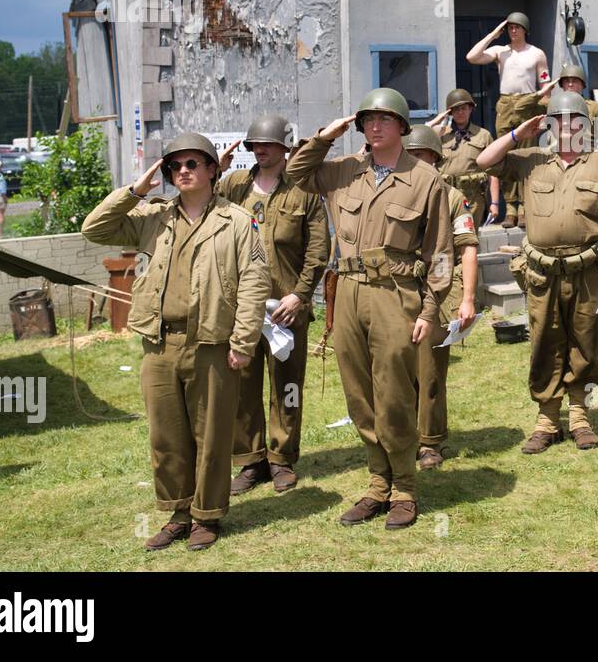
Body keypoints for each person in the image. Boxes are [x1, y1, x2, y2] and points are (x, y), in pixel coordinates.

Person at [81, 134, 270, 551]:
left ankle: (207, 515)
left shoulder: (237, 221)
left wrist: (243, 340)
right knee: (166, 437)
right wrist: (134, 191)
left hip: (212, 343)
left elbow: (256, 282)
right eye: (175, 166)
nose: (183, 171)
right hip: (160, 343)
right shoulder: (154, 217)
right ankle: (178, 512)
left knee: (212, 434)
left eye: (192, 163)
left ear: (211, 170)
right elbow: (94, 228)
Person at [284, 88, 453, 529]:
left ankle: (405, 488)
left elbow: (439, 251)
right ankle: (378, 484)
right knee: (359, 395)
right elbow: (294, 171)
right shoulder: (343, 171)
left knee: (394, 393)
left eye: (383, 119)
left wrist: (429, 310)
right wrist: (326, 135)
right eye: (366, 120)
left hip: (395, 294)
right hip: (348, 292)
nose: (373, 126)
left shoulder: (424, 179)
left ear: (402, 126)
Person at [477, 90, 598, 453]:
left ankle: (580, 415)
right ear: (547, 125)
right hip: (542, 274)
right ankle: (547, 418)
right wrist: (518, 133)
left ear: (586, 125)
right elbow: (486, 161)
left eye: (574, 121)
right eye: (557, 121)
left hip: (589, 271)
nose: (566, 128)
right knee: (544, 341)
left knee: (586, 340)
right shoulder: (530, 160)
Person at [215, 116, 329, 495]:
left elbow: (317, 250)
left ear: (285, 148)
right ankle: (251, 461)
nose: (259, 150)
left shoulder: (305, 191)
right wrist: (216, 170)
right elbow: (203, 214)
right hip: (242, 309)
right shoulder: (233, 186)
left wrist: (300, 295)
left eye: (267, 144)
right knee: (242, 387)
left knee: (288, 387)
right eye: (253, 145)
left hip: (286, 310)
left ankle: (282, 458)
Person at [403, 124, 480, 469]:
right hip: (399, 291)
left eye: (423, 156)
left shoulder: (451, 197)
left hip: (438, 288)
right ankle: (401, 434)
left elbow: (467, 249)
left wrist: (467, 299)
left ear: (435, 158)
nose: (417, 162)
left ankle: (430, 440)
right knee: (395, 368)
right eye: (411, 156)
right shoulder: (395, 192)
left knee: (430, 370)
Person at [465, 11, 550, 227]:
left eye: (517, 27)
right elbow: (472, 57)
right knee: (505, 153)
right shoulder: (500, 51)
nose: (513, 31)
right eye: (510, 27)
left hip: (529, 103)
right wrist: (493, 34)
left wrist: (544, 114)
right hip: (506, 105)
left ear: (525, 30)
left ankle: (524, 207)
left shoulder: (537, 54)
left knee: (526, 154)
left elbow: (545, 87)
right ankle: (510, 207)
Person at [428, 88, 499, 228]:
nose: (460, 112)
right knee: (446, 239)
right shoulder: (439, 136)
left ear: (470, 109)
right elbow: (417, 139)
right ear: (450, 112)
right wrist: (438, 121)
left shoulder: (483, 135)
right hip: (446, 196)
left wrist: (495, 203)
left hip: (473, 199)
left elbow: (493, 172)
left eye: (464, 108)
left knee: (469, 240)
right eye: (456, 110)